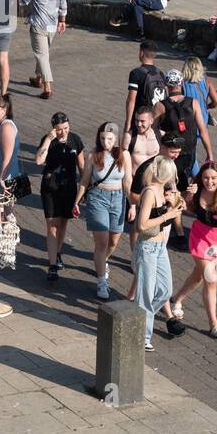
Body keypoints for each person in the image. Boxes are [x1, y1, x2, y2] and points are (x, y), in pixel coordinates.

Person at [171, 161, 217, 340]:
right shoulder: (197, 190)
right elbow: (184, 208)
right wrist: (188, 196)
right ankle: (214, 325)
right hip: (199, 237)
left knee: (198, 276)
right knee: (210, 278)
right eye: (206, 177)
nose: (210, 182)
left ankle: (176, 299)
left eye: (214, 178)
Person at [74, 122, 134, 301]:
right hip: (97, 198)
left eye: (109, 139)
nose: (105, 142)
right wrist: (76, 201)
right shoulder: (93, 154)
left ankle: (101, 261)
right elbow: (85, 181)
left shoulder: (124, 155)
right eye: (102, 138)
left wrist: (132, 204)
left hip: (118, 198)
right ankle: (101, 281)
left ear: (116, 138)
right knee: (102, 242)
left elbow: (128, 181)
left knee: (114, 240)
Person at [133, 157, 182, 350]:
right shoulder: (150, 192)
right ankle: (142, 336)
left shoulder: (163, 191)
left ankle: (137, 319)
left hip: (160, 247)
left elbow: (179, 209)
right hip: (147, 247)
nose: (173, 179)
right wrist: (166, 214)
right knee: (146, 294)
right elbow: (142, 225)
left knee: (165, 290)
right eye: (171, 175)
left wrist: (173, 205)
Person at [35, 112, 84, 281]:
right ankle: (52, 265)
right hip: (50, 187)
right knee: (52, 225)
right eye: (59, 129)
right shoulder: (48, 140)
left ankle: (57, 253)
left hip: (69, 187)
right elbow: (39, 161)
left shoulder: (75, 140)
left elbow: (82, 166)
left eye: (66, 128)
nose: (63, 132)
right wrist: (49, 139)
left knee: (63, 223)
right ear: (53, 128)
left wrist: (84, 190)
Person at [155, 70, 213, 179]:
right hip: (189, 152)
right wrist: (210, 154)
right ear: (182, 83)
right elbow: (203, 130)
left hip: (169, 153)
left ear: (166, 85)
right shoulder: (193, 103)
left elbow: (152, 131)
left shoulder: (160, 106)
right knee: (185, 183)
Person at [21, 0, 66, 100]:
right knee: (43, 52)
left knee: (42, 56)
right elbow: (63, 4)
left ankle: (47, 87)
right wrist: (62, 21)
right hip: (51, 26)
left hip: (39, 25)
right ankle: (38, 78)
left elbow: (24, 1)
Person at [124, 40, 167, 134]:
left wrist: (128, 123)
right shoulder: (160, 73)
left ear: (141, 53)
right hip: (155, 119)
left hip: (140, 119)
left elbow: (131, 100)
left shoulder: (136, 73)